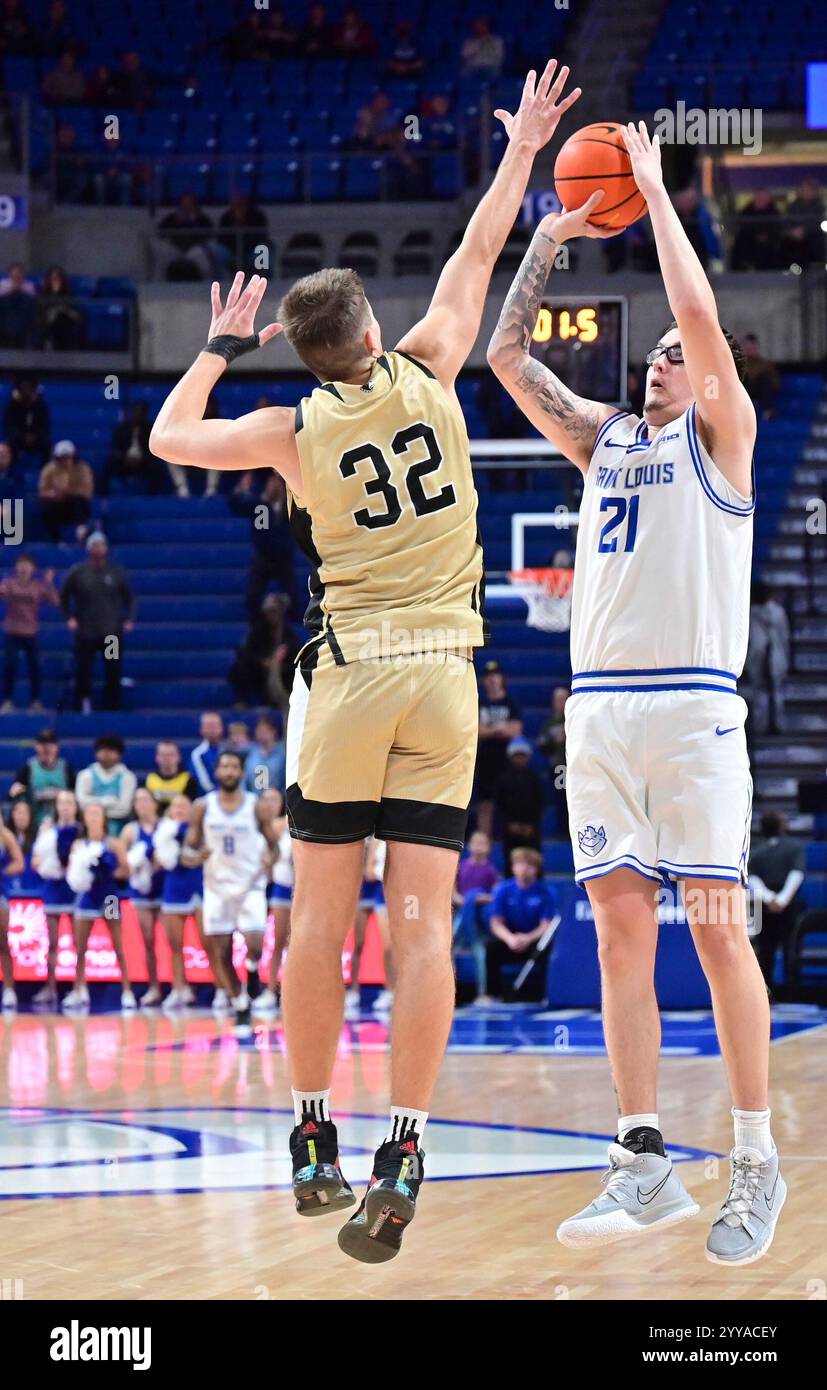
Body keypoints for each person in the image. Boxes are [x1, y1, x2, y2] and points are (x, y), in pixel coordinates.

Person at [148, 57, 580, 1264]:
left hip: (343, 678)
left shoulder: (289, 428)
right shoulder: (436, 358)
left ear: (304, 349)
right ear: (375, 333)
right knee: (422, 929)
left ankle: (307, 1136)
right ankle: (404, 1142)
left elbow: (166, 432)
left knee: (312, 925)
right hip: (446, 675)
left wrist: (223, 342)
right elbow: (486, 239)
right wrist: (524, 143)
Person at [488, 120, 783, 1265]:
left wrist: (655, 195)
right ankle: (642, 1158)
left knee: (714, 933)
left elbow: (700, 318)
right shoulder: (602, 438)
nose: (660, 356)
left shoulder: (725, 436)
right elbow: (509, 358)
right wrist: (551, 238)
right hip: (599, 710)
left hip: (694, 709)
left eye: (673, 351)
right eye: (653, 351)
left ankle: (751, 1158)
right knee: (616, 933)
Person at [182, 750, 278, 1037]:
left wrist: (270, 860)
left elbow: (273, 844)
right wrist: (195, 856)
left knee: (256, 944)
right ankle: (240, 1007)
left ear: (241, 772)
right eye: (224, 766)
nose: (229, 771)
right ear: (217, 772)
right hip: (216, 887)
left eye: (235, 766)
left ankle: (251, 971)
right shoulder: (202, 806)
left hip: (250, 885)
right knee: (220, 951)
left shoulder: (255, 805)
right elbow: (188, 849)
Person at [65, 801, 133, 1012]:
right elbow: (72, 875)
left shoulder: (113, 843)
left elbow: (126, 871)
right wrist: (86, 875)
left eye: (97, 814)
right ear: (84, 819)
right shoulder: (79, 844)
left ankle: (127, 991)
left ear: (104, 818)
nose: (93, 818)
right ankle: (79, 989)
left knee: (118, 946)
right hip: (87, 897)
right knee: (80, 947)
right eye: (89, 814)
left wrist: (107, 871)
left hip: (109, 897)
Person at [60, 532, 135, 711]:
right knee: (84, 670)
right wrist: (69, 617)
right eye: (95, 545)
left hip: (111, 632)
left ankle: (112, 707)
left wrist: (129, 619)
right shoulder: (78, 573)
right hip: (86, 632)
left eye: (102, 545)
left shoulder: (116, 572)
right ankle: (84, 704)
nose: (99, 549)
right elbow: (63, 597)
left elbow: (129, 598)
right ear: (89, 549)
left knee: (113, 669)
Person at [486, 847, 558, 1000]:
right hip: (511, 941)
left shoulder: (546, 892)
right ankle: (493, 994)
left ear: (536, 869)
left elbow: (546, 925)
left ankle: (546, 995)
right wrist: (510, 939)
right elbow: (496, 923)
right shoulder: (502, 890)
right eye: (520, 864)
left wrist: (528, 938)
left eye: (530, 865)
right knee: (491, 946)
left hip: (533, 942)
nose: (524, 869)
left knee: (548, 947)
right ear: (513, 867)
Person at [31, 787, 80, 1010]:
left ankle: (80, 987)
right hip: (52, 888)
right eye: (62, 802)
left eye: (69, 802)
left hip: (74, 888)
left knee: (79, 943)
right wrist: (45, 865)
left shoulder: (81, 830)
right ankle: (49, 987)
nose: (66, 806)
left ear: (75, 806)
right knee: (51, 942)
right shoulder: (47, 832)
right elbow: (35, 862)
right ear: (57, 806)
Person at [748, 812, 806, 994]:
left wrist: (769, 899)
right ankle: (792, 992)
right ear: (782, 826)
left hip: (765, 907)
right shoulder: (795, 847)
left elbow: (751, 878)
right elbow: (797, 874)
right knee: (790, 947)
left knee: (766, 951)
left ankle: (766, 994)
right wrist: (782, 900)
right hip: (788, 907)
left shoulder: (756, 851)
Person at [228, 470, 297, 618]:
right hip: (263, 556)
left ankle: (290, 630)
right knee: (253, 596)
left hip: (283, 557)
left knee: (294, 596)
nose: (273, 486)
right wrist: (241, 488)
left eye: (276, 483)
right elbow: (235, 504)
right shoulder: (260, 506)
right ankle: (257, 625)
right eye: (270, 482)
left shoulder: (289, 506)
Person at [154, 793, 200, 1012]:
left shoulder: (200, 830)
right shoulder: (163, 832)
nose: (180, 809)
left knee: (210, 944)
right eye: (175, 806)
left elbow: (205, 855)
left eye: (184, 805)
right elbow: (159, 862)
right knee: (175, 945)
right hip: (173, 889)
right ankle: (178, 987)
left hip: (198, 888)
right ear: (170, 811)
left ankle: (222, 990)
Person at [120, 787, 165, 1008]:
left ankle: (179, 987)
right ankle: (153, 987)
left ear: (155, 803)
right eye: (137, 800)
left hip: (165, 889)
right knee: (148, 942)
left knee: (172, 942)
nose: (141, 804)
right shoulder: (130, 831)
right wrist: (136, 863)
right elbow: (122, 865)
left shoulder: (165, 826)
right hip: (141, 892)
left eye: (145, 799)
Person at [0, 553, 58, 712]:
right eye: (20, 564)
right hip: (12, 630)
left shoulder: (38, 586)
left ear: (33, 568)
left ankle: (36, 701)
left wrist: (49, 583)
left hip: (31, 632)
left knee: (35, 666)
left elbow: (55, 601)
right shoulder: (9, 584)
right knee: (9, 665)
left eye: (27, 564)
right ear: (16, 568)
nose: (23, 567)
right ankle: (7, 700)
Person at [228, 593, 300, 714]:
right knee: (240, 667)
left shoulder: (288, 633)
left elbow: (295, 653)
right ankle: (241, 700)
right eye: (269, 612)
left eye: (275, 612)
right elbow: (246, 652)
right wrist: (263, 661)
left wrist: (280, 665)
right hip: (260, 669)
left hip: (281, 671)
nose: (272, 615)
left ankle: (287, 702)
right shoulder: (258, 631)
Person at [475, 660, 523, 837]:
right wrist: (499, 728)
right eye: (489, 677)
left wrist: (490, 729)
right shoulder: (480, 703)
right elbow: (476, 730)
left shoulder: (510, 703)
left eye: (495, 676)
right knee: (485, 803)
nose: (492, 680)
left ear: (501, 678)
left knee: (508, 801)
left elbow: (516, 729)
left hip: (506, 758)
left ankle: (510, 839)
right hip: (485, 758)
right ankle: (483, 841)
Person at [451, 829, 500, 1002]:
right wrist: (467, 902)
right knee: (448, 946)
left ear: (489, 848)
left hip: (480, 919)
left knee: (480, 952)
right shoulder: (461, 866)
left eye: (483, 843)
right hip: (462, 915)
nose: (479, 847)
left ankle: (482, 992)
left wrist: (476, 899)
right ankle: (450, 992)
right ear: (469, 845)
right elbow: (453, 891)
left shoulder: (491, 870)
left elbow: (495, 894)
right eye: (475, 842)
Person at [260, 787, 291, 1019]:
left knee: (299, 943)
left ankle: (293, 992)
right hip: (277, 887)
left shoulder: (293, 821)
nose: (270, 803)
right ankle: (270, 990)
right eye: (266, 800)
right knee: (278, 941)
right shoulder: (269, 827)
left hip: (299, 887)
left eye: (274, 799)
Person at [745, 580, 790, 736]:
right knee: (774, 692)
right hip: (774, 656)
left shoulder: (753, 613)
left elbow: (755, 640)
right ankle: (775, 724)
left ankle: (762, 726)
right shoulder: (777, 612)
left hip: (763, 656)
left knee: (761, 692)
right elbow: (784, 638)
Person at [493, 736, 544, 862]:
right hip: (510, 829)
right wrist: (509, 824)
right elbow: (499, 803)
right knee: (510, 862)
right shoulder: (502, 778)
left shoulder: (534, 778)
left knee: (534, 860)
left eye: (523, 756)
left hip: (531, 829)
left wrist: (531, 825)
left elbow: (540, 802)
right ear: (511, 757)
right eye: (517, 756)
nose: (520, 759)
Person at [9, 728, 75, 827]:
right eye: (43, 745)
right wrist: (12, 794)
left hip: (61, 825)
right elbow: (14, 796)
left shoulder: (66, 768)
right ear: (36, 747)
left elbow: (74, 796)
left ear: (57, 747)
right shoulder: (28, 768)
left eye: (50, 745)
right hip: (33, 826)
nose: (46, 748)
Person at [75, 735, 137, 835]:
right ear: (96, 753)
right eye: (103, 750)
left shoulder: (127, 777)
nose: (106, 754)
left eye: (111, 750)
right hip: (89, 830)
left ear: (119, 754)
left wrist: (94, 807)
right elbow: (81, 804)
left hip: (118, 830)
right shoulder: (85, 775)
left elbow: (124, 809)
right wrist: (110, 801)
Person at [101, 401, 166, 495]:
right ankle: (104, 496)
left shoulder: (150, 429)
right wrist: (124, 457)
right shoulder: (122, 428)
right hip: (125, 460)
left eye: (140, 412)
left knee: (158, 470)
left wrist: (142, 458)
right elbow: (116, 447)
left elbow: (154, 449)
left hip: (143, 461)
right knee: (109, 466)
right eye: (135, 411)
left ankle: (152, 497)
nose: (137, 414)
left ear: (145, 413)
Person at [38, 439, 94, 544]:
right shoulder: (49, 469)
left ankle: (81, 532)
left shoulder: (83, 469)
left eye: (67, 457)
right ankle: (57, 540)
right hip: (57, 504)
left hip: (75, 504)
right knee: (46, 509)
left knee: (79, 502)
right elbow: (42, 491)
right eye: (61, 458)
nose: (65, 461)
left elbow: (87, 491)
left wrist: (69, 492)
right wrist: (53, 494)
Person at [0, 809, 25, 1011]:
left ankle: (9, 989)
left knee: (3, 941)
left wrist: (2, 871)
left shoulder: (4, 835)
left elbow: (19, 863)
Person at [536, 685, 570, 835]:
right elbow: (542, 746)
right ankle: (564, 832)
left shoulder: (575, 720)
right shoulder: (549, 724)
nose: (560, 702)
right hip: (559, 767)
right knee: (562, 800)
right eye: (558, 699)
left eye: (563, 699)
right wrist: (554, 741)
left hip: (576, 766)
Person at [4, 373, 50, 467]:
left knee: (48, 446)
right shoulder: (12, 406)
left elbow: (44, 425)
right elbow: (10, 425)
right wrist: (22, 436)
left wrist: (35, 436)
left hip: (37, 438)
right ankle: (10, 473)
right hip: (19, 439)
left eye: (29, 388)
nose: (27, 392)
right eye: (24, 388)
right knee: (9, 449)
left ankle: (45, 470)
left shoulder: (40, 406)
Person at [36, 265, 86, 351]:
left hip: (66, 323)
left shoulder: (68, 294)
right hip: (48, 325)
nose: (55, 281)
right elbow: (40, 314)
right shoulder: (43, 294)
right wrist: (52, 313)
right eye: (53, 278)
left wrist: (65, 310)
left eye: (57, 278)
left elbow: (76, 313)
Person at [144, 740, 199, 809]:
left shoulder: (188, 779)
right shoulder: (151, 779)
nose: (167, 758)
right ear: (157, 757)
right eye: (163, 755)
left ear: (178, 757)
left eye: (171, 755)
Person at [244, 713, 286, 796]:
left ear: (273, 732)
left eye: (265, 730)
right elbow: (245, 780)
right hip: (254, 799)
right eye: (259, 730)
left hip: (277, 800)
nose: (262, 733)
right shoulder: (250, 752)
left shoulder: (282, 754)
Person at [742, 335, 780, 421]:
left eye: (752, 348)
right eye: (748, 348)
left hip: (760, 392)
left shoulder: (765, 365)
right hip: (745, 392)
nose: (750, 350)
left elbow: (775, 382)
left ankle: (767, 410)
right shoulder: (738, 365)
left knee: (765, 379)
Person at [0, 261, 36, 348]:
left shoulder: (29, 285)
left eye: (19, 273)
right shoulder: (3, 284)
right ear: (10, 274)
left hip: (21, 314)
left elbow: (33, 299)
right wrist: (12, 289)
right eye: (14, 273)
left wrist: (20, 288)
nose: (16, 275)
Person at [189, 711, 225, 793]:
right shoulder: (197, 754)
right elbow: (204, 784)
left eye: (215, 726)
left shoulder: (230, 750)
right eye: (209, 726)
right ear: (201, 729)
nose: (212, 729)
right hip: (207, 800)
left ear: (221, 728)